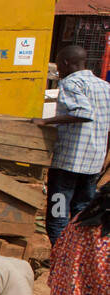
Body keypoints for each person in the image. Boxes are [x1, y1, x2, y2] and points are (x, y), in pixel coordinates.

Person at [38, 44, 110, 244]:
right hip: (92, 166)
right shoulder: (105, 87)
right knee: (83, 214)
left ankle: (61, 260)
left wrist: (46, 121)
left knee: (58, 213)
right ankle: (80, 258)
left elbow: (83, 113)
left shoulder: (70, 83)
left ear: (65, 63)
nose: (59, 71)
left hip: (67, 165)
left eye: (59, 66)